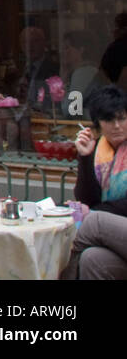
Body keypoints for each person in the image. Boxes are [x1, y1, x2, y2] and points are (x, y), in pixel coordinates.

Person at [63, 86, 127, 279]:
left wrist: (92, 212)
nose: (117, 126)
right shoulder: (99, 151)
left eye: (122, 118)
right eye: (109, 120)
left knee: (94, 220)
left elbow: (93, 210)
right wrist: (85, 157)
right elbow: (86, 199)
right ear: (98, 124)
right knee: (92, 258)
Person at [99, 13, 127, 87]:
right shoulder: (116, 47)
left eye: (115, 26)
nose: (112, 31)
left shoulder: (118, 47)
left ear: (123, 30)